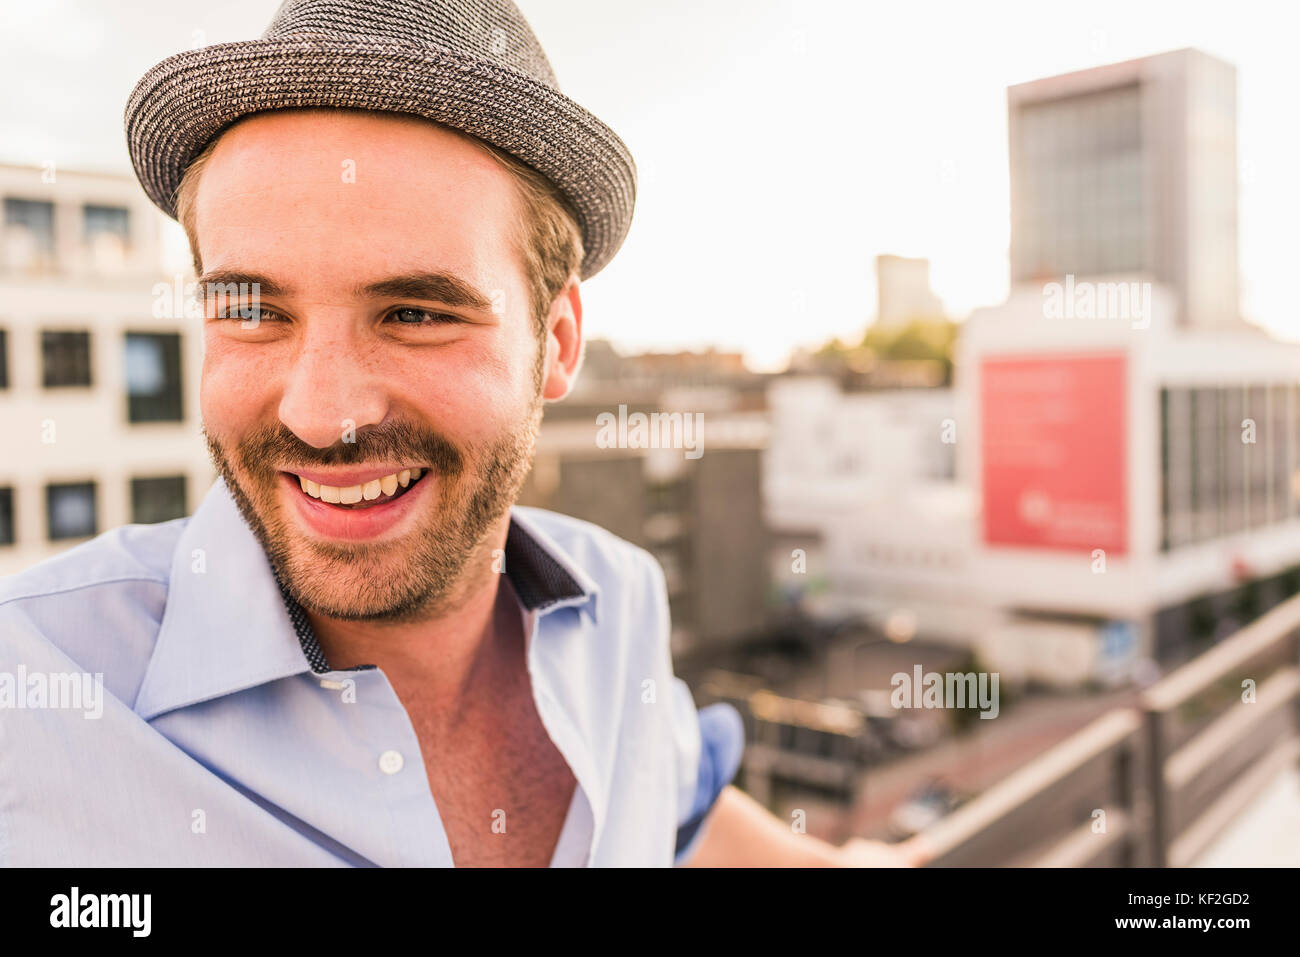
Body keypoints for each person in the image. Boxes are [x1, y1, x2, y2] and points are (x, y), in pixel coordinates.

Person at [0, 0, 927, 867]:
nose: (320, 414)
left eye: (413, 312)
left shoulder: (618, 603)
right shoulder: (30, 697)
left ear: (556, 343)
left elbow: (677, 805)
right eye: (251, 309)